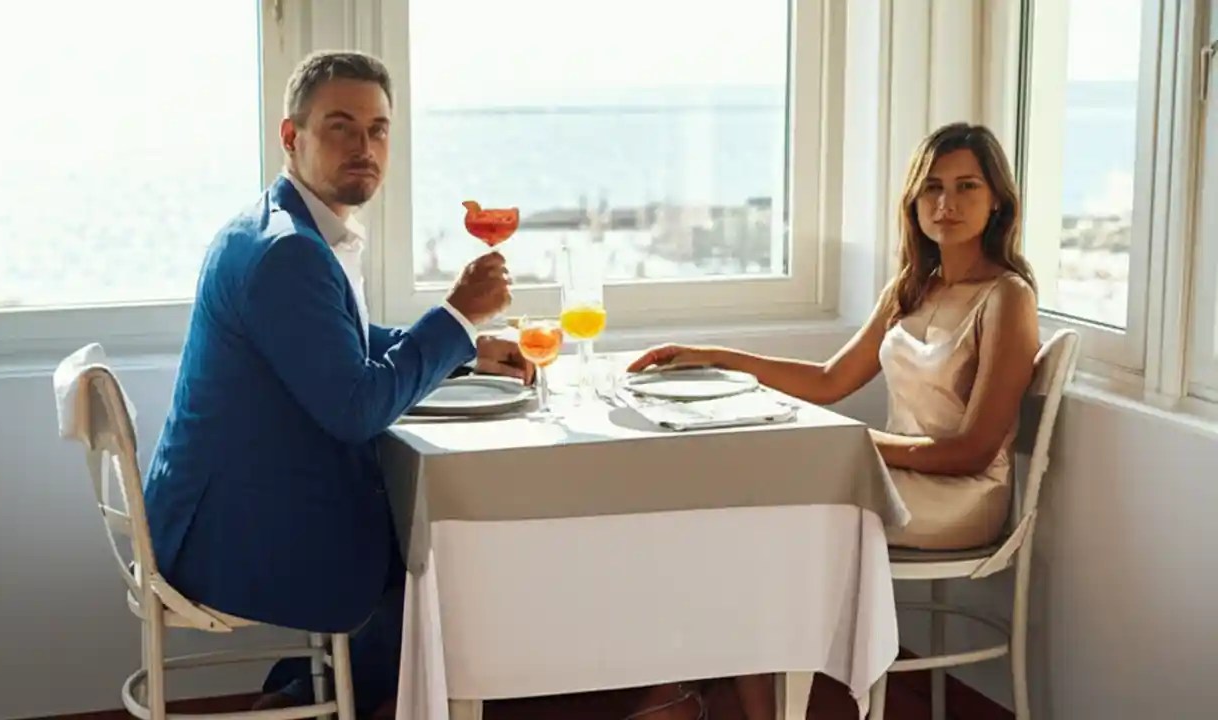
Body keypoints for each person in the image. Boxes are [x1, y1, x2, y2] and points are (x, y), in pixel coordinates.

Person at [142, 50, 532, 716]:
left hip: (210, 513)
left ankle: (301, 691)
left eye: (378, 130)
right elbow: (356, 408)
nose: (365, 147)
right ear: (292, 136)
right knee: (442, 565)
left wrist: (464, 350)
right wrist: (459, 314)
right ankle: (317, 694)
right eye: (341, 127)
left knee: (422, 543)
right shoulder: (288, 252)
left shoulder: (278, 223)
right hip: (228, 540)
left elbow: (339, 343)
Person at [627, 121, 1041, 718]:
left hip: (959, 494)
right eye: (932, 188)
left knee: (762, 518)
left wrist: (855, 446)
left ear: (997, 198)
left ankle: (698, 692)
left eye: (967, 186)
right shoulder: (911, 287)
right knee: (737, 511)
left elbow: (975, 450)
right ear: (914, 202)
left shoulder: (1007, 297)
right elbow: (829, 381)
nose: (946, 203)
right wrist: (718, 356)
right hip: (893, 476)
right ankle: (723, 695)